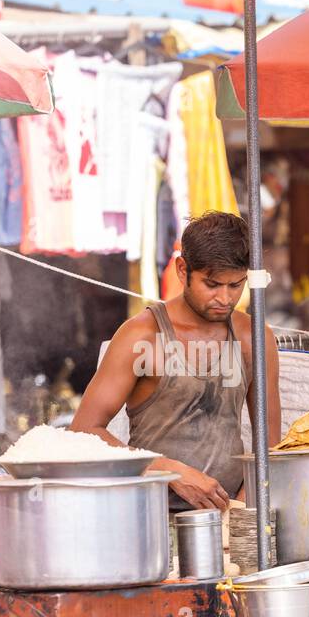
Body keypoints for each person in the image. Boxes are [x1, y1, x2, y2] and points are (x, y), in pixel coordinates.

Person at [72, 211, 282, 511]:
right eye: (211, 284)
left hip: (228, 517)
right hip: (148, 516)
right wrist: (169, 470)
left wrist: (240, 511)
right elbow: (84, 432)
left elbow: (270, 446)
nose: (225, 298)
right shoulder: (140, 336)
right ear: (182, 270)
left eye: (235, 285)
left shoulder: (255, 338)